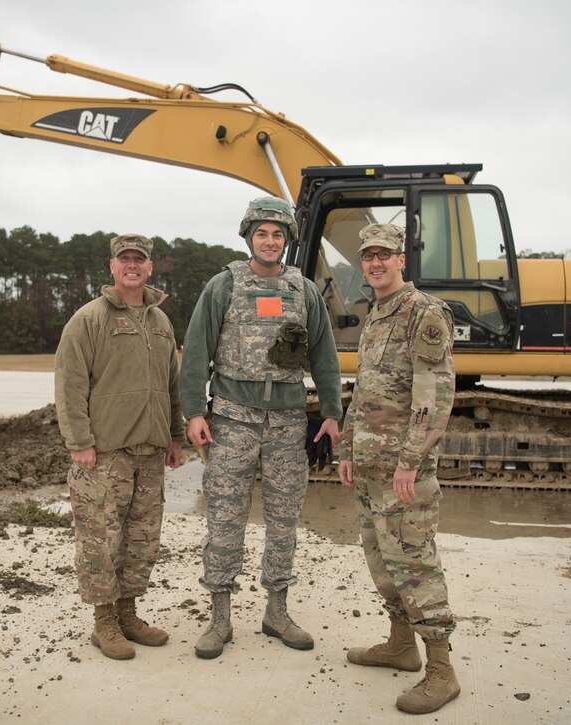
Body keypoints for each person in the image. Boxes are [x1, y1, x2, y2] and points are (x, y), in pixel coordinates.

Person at [180, 196, 342, 659]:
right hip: (232, 419)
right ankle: (220, 618)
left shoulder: (303, 290)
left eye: (277, 234)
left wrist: (331, 412)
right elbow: (195, 352)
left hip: (289, 423)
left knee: (284, 519)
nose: (269, 242)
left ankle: (277, 610)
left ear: (288, 241)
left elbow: (325, 358)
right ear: (249, 237)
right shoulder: (223, 286)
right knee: (225, 517)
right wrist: (194, 412)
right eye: (262, 234)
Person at [335, 222, 460, 714]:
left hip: (402, 472)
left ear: (400, 258)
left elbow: (436, 394)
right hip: (369, 466)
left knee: (414, 564)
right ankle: (401, 646)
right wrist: (346, 449)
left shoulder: (423, 313)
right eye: (368, 255)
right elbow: (363, 392)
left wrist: (411, 461)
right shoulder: (377, 315)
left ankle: (442, 671)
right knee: (383, 564)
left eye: (384, 254)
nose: (375, 263)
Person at [54, 233, 184, 661]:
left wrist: (175, 436)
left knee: (141, 540)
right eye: (124, 259)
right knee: (100, 539)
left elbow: (172, 386)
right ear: (112, 267)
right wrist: (79, 443)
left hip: (150, 453)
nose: (132, 265)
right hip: (104, 454)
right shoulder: (89, 319)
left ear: (150, 268)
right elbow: (70, 384)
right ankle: (104, 622)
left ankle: (128, 613)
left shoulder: (161, 323)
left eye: (140, 260)